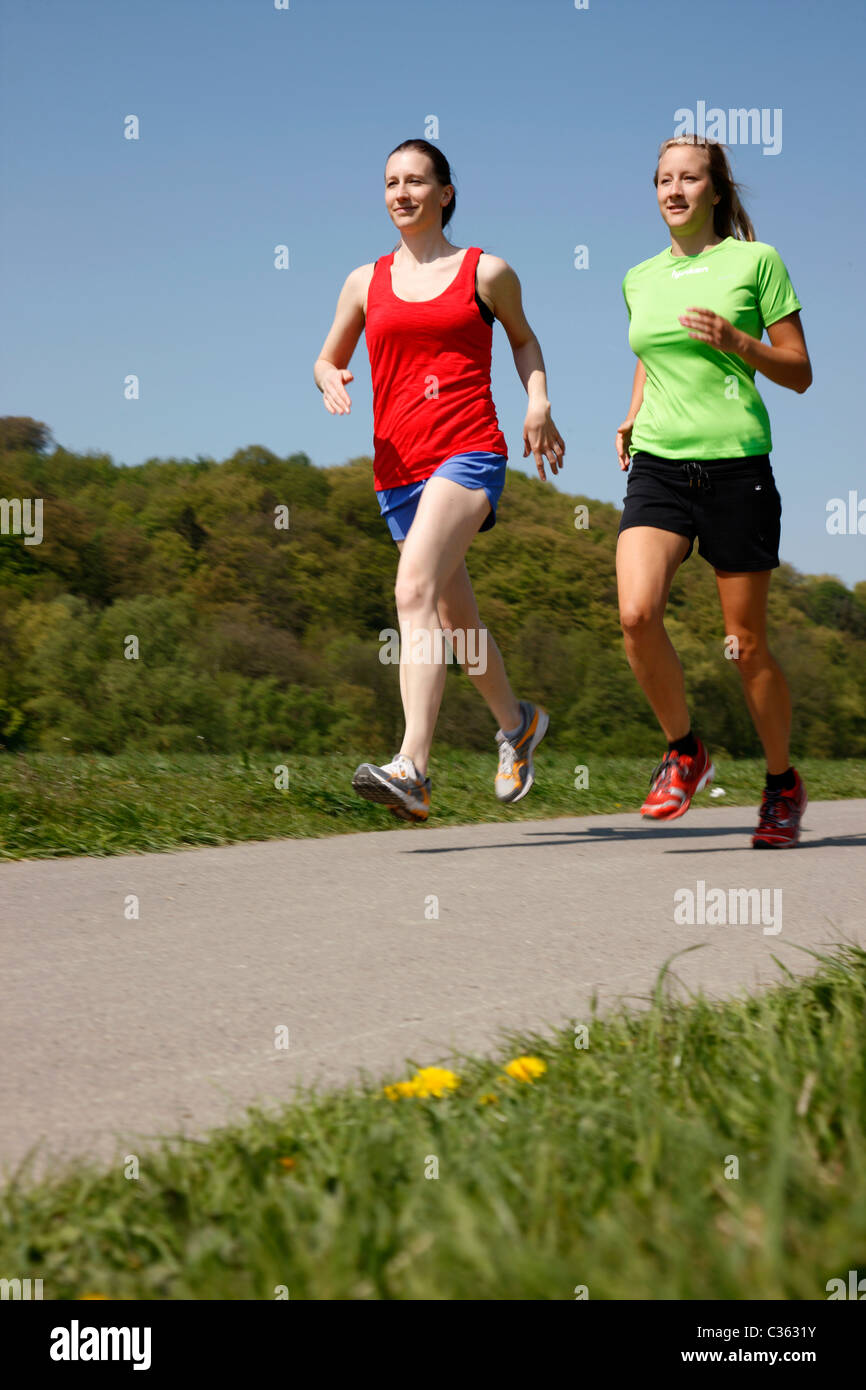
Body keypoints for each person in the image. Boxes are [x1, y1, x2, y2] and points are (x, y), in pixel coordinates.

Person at [314, 139, 565, 822]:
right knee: (456, 620)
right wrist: (330, 374)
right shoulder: (364, 282)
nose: (402, 193)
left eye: (417, 181)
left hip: (468, 451)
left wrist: (536, 401)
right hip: (397, 472)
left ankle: (413, 768)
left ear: (445, 193)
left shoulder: (485, 272)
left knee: (413, 589)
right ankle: (517, 725)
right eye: (392, 182)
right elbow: (327, 355)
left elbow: (523, 338)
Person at [616, 135, 812, 848]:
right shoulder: (640, 277)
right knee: (637, 614)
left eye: (689, 179)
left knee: (745, 645)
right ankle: (684, 749)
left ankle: (781, 782)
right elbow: (651, 352)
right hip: (660, 468)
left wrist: (739, 343)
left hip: (737, 468)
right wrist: (635, 411)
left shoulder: (756, 264)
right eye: (663, 179)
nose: (674, 190)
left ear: (717, 192)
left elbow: (797, 371)